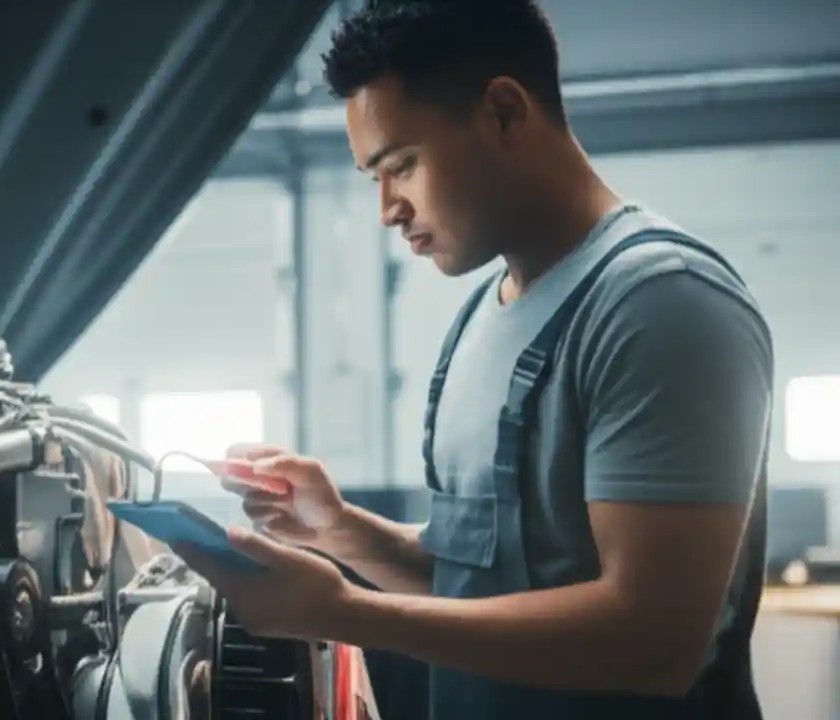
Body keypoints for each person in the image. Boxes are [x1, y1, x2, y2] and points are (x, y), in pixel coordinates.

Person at [171, 1, 773, 719]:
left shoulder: (663, 305)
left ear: (505, 113)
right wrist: (339, 530)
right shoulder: (481, 318)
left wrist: (340, 612)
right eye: (373, 179)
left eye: (402, 166)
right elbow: (479, 589)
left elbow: (654, 642)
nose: (387, 209)